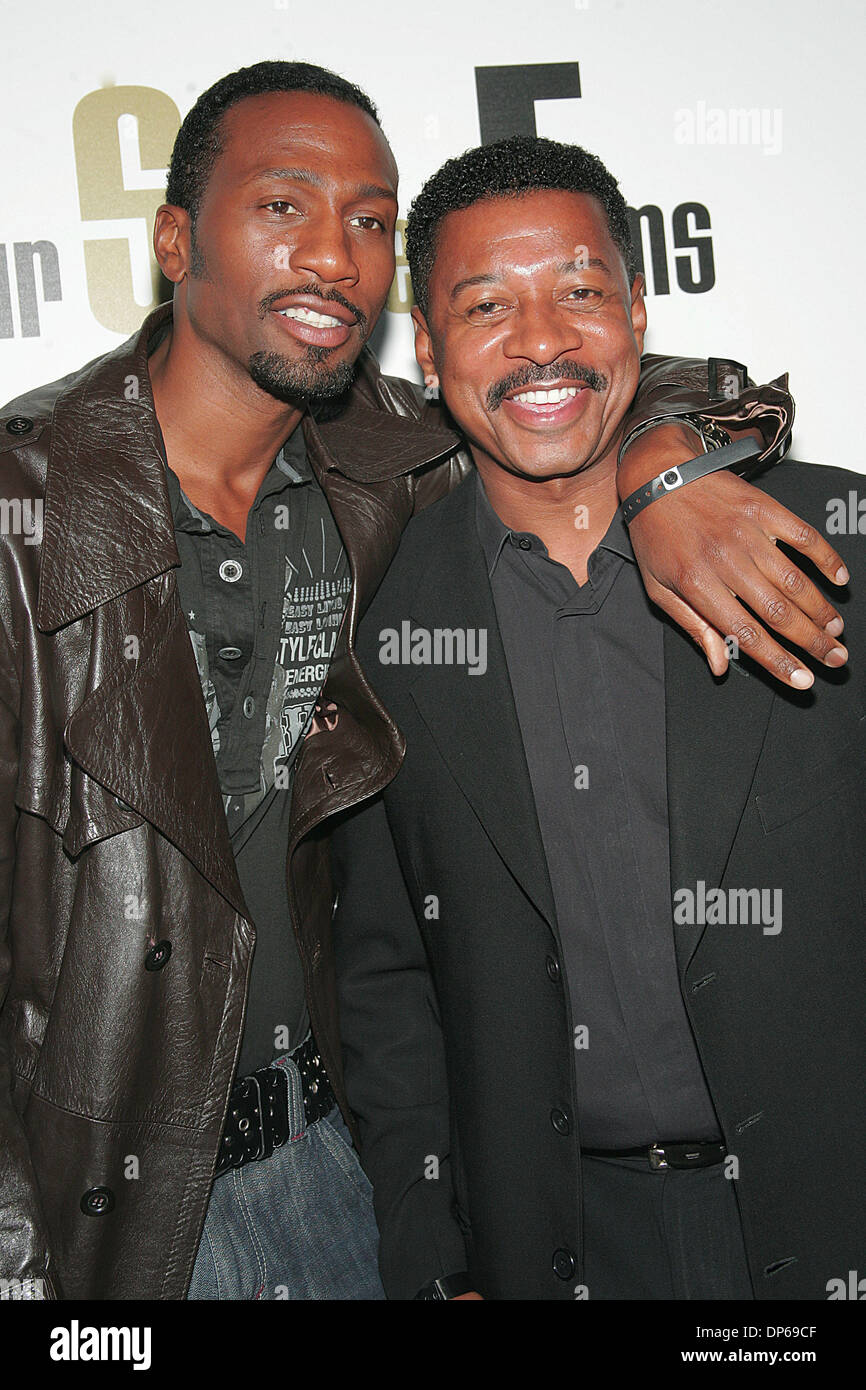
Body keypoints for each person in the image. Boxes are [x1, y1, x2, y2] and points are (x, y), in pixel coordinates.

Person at [0, 62, 830, 1301]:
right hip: (119, 1225)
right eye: (284, 206)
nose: (336, 255)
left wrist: (665, 471)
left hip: (340, 1175)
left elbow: (559, 385)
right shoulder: (27, 504)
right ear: (174, 238)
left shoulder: (385, 462)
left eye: (370, 222)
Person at [330, 134, 863, 1301]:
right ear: (426, 345)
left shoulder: (827, 543)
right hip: (557, 1244)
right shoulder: (380, 624)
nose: (541, 342)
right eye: (485, 306)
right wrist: (440, 1260)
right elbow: (387, 983)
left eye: (578, 292)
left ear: (636, 308)